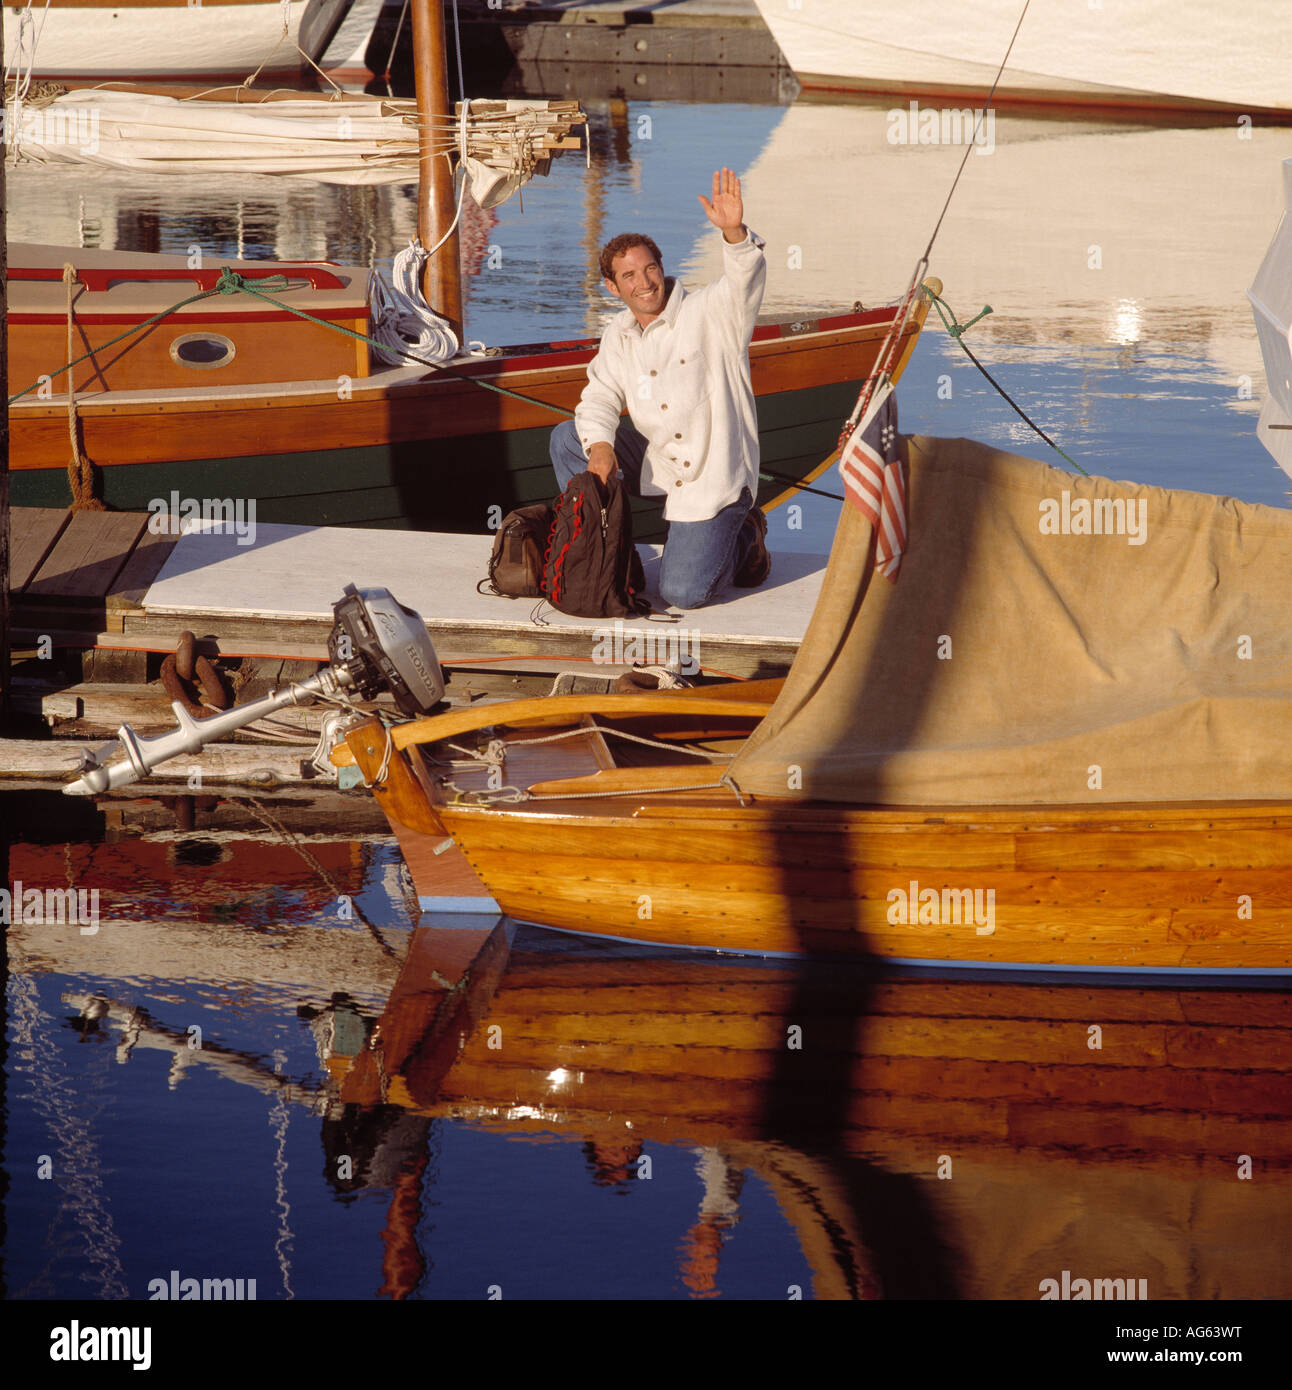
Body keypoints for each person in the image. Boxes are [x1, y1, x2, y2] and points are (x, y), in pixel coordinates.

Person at [549, 167, 771, 609]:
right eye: (629, 276)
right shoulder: (618, 333)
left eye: (650, 268)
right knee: (568, 438)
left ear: (662, 268)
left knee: (683, 594)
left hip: (715, 477)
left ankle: (745, 534)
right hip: (662, 464)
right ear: (613, 287)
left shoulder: (712, 311)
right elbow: (599, 395)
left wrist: (734, 234)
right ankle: (611, 553)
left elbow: (744, 281)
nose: (645, 282)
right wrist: (600, 444)